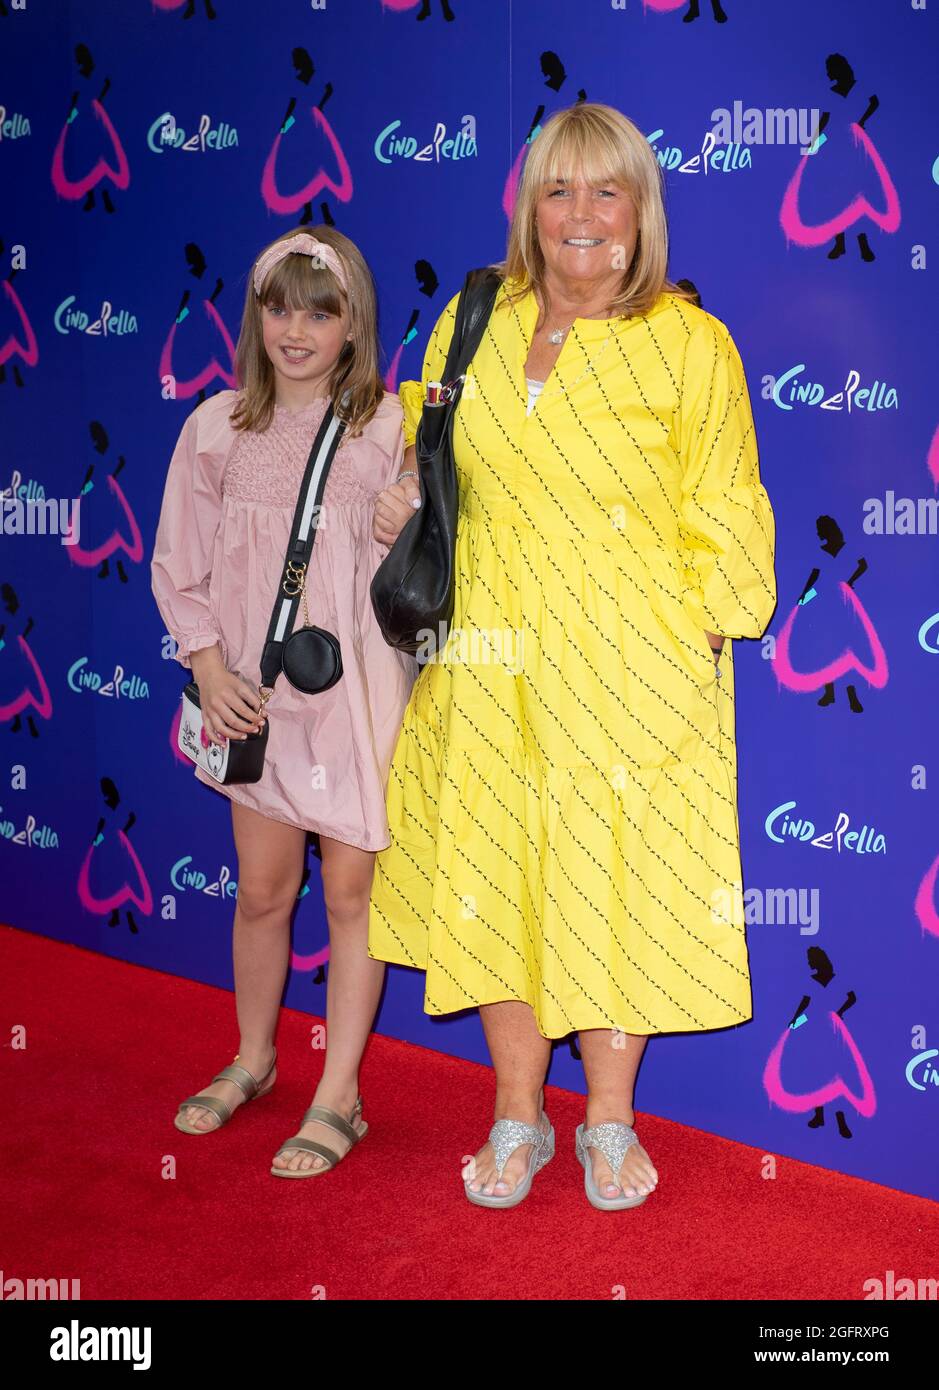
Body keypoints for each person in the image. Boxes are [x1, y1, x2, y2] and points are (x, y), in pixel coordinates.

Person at [370, 102, 777, 1209]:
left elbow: (727, 502)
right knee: (501, 870)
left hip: (629, 658)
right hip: (488, 651)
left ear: (642, 210)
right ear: (527, 207)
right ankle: (517, 1115)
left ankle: (606, 1119)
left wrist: (698, 632)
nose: (581, 215)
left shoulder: (690, 341)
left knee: (621, 882)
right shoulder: (477, 317)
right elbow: (430, 449)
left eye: (607, 191)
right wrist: (404, 491)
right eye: (558, 190)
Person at [151, 227, 418, 1177]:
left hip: (355, 699)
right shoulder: (215, 426)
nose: (295, 329)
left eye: (320, 310)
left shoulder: (389, 427)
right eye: (278, 306)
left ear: (354, 326)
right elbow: (179, 560)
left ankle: (338, 1095)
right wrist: (209, 669)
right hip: (252, 697)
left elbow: (413, 578)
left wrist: (406, 508)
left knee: (352, 896)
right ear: (253, 315)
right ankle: (253, 1059)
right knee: (262, 894)